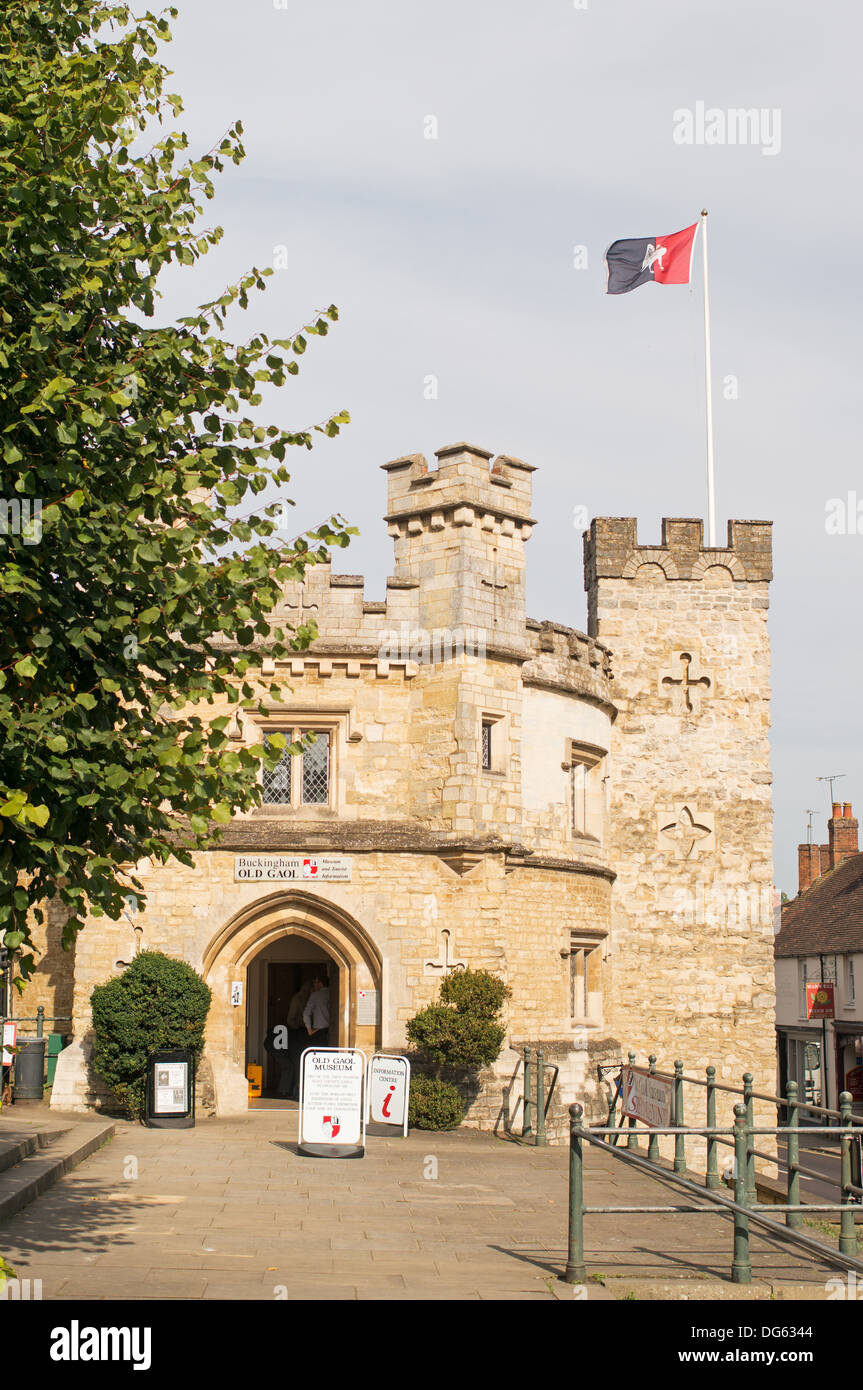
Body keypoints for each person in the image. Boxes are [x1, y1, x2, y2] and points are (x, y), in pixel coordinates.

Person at [285, 979, 313, 1101]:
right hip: (298, 1034)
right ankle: (297, 1092)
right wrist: (303, 1024)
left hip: (309, 1034)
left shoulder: (311, 1000)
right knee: (298, 1063)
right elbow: (290, 1020)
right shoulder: (297, 1000)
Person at [303, 973, 330, 1046]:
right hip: (334, 1031)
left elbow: (306, 1013)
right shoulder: (334, 993)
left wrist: (309, 1030)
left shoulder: (315, 995)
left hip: (320, 1032)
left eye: (315, 982)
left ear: (320, 983)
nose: (314, 985)